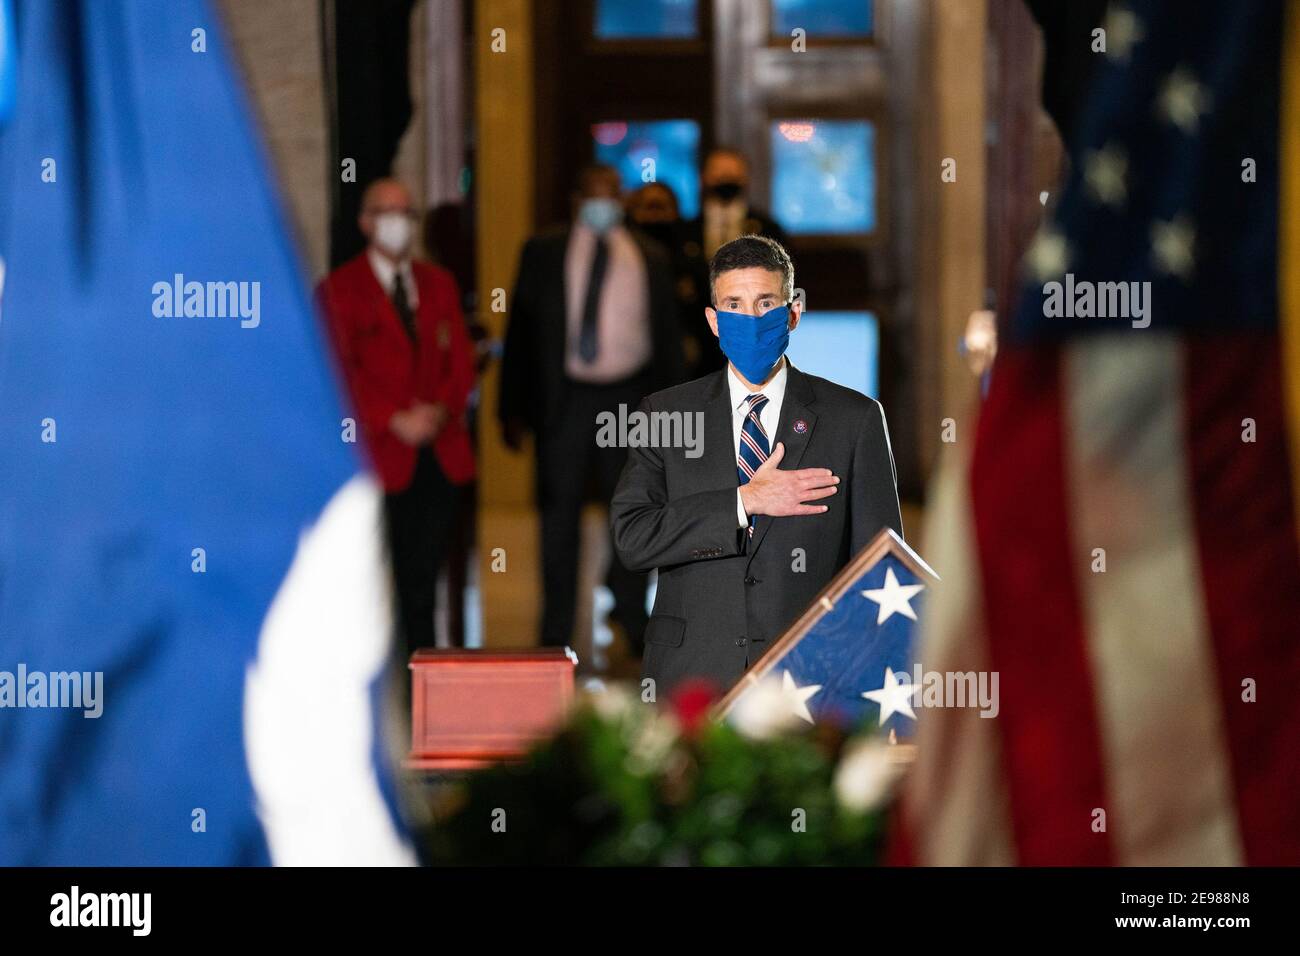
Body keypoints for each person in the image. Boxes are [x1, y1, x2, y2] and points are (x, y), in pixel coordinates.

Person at [610, 235, 902, 696]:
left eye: (766, 302)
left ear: (793, 312)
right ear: (712, 320)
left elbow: (878, 572)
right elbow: (633, 538)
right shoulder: (664, 415)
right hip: (690, 676)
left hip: (811, 680)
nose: (750, 318)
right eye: (734, 304)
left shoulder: (855, 419)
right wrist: (744, 501)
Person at [499, 164, 684, 659]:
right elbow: (520, 333)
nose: (603, 205)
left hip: (630, 399)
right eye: (593, 196)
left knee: (633, 511)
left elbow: (667, 339)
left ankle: (630, 615)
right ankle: (554, 631)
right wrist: (510, 409)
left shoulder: (649, 256)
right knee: (557, 516)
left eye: (611, 196)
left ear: (620, 200)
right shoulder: (543, 252)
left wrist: (675, 414)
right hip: (566, 400)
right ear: (577, 198)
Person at [317, 177, 476, 661]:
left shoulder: (438, 283)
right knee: (364, 584)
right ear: (365, 223)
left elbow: (461, 362)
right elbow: (336, 372)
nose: (398, 222)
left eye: (407, 212)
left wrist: (440, 410)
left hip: (437, 455)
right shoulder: (339, 290)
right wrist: (391, 418)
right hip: (374, 457)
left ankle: (423, 690)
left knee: (423, 582)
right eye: (386, 211)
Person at [677, 148, 790, 378]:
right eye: (719, 174)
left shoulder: (769, 229)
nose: (726, 180)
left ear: (745, 178)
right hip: (695, 345)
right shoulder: (682, 231)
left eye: (732, 174)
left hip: (753, 338)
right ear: (704, 177)